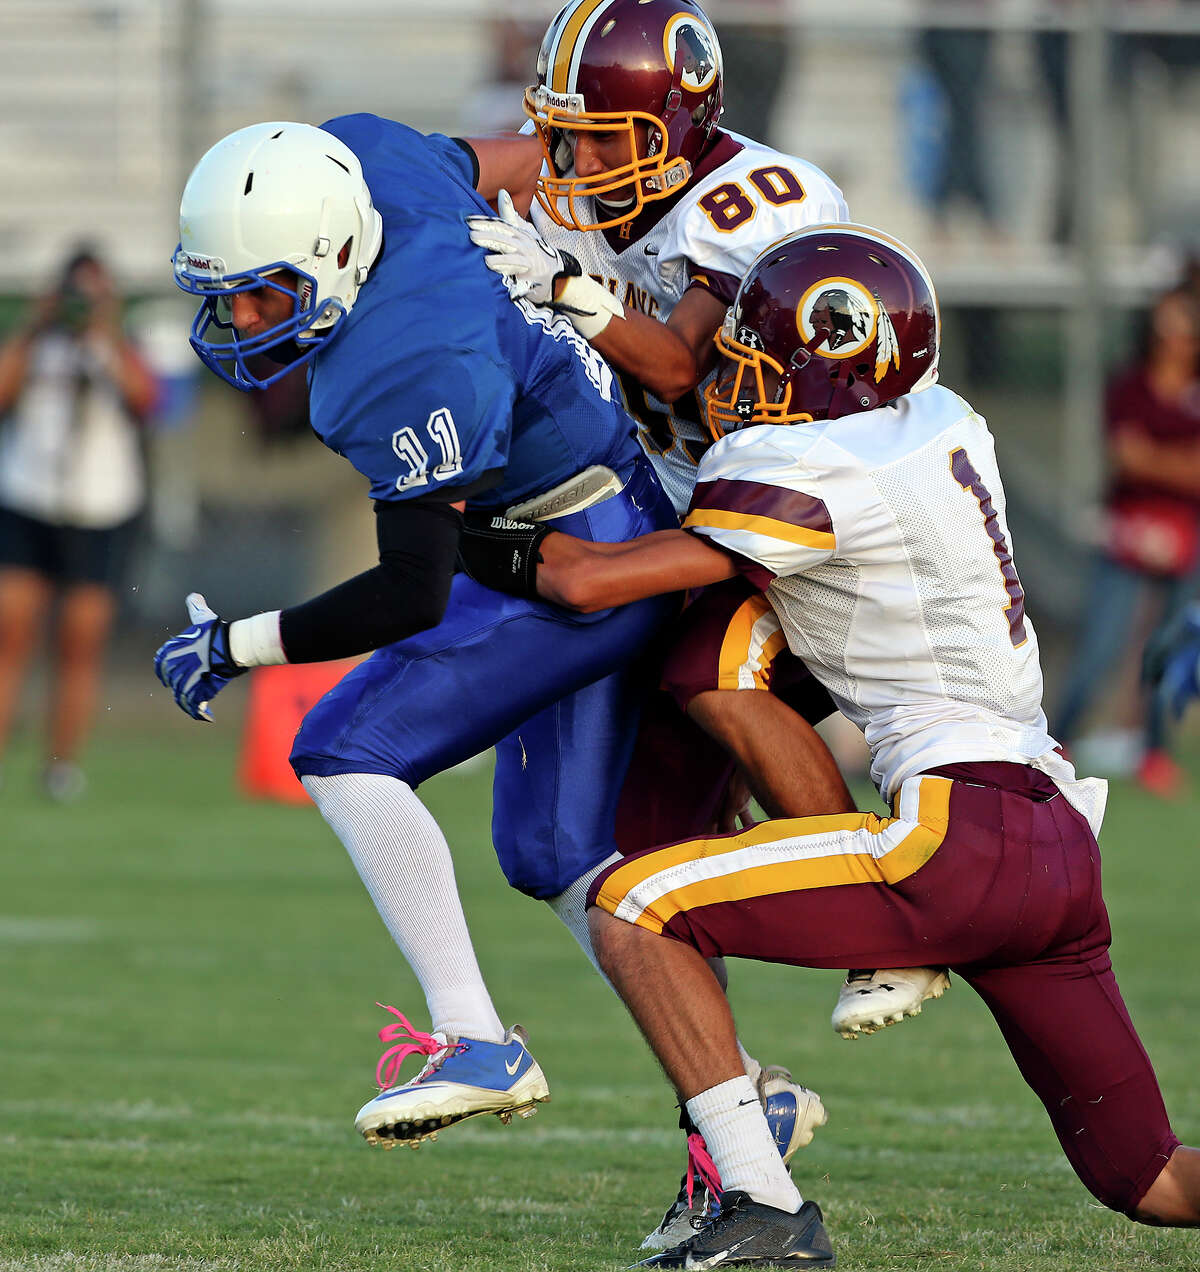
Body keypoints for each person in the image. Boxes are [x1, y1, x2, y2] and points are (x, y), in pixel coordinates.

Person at [459, 223, 1200, 1266]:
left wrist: (464, 530)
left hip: (959, 835)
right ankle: (867, 975)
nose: (737, 388)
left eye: (761, 367)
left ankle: (760, 1201)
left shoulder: (805, 461)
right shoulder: (943, 418)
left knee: (631, 906)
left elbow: (589, 582)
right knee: (1154, 1179)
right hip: (1060, 842)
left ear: (830, 372)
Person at [155, 118, 824, 1197]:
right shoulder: (366, 164)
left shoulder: (411, 356)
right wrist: (546, 222)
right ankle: (748, 1110)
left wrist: (240, 644)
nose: (239, 321)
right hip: (590, 509)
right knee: (554, 854)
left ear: (334, 251)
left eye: (263, 294)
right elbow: (517, 154)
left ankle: (473, 1038)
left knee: (344, 749)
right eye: (224, 293)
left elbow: (409, 592)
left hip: (578, 548)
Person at [461, 0, 949, 1064]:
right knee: (643, 838)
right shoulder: (578, 182)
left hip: (807, 507)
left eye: (607, 138)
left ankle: (885, 925)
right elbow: (468, 170)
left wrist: (570, 291)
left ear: (678, 124)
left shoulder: (755, 200)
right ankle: (733, 1100)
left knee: (712, 674)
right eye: (570, 134)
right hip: (695, 501)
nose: (581, 161)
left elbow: (680, 363)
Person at [0, 247, 158, 801]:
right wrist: (32, 326)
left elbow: (147, 400)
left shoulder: (121, 344)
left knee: (79, 643)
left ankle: (61, 765)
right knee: (10, 633)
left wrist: (105, 332)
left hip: (99, 508)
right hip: (28, 498)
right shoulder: (36, 346)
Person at [1053, 287, 1200, 797]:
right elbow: (1127, 458)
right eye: (1168, 326)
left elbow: (1151, 459)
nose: (1177, 337)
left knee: (1170, 647)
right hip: (1127, 535)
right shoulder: (1130, 387)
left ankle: (1155, 752)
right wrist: (1179, 463)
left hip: (1187, 539)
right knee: (1102, 645)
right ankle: (1058, 743)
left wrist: (1154, 460)